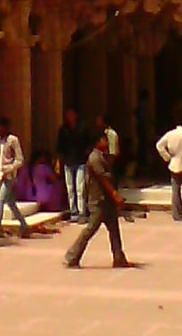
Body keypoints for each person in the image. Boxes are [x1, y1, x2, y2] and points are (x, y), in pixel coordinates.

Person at [63, 127, 130, 270]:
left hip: (107, 201)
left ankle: (119, 258)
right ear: (98, 141)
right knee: (90, 230)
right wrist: (115, 194)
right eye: (104, 140)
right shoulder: (94, 158)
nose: (107, 142)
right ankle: (72, 256)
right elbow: (103, 178)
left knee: (114, 230)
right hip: (99, 201)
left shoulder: (103, 156)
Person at [0, 117, 29, 236]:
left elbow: (20, 160)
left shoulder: (13, 140)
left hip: (10, 176)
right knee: (11, 203)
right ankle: (24, 226)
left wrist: (8, 170)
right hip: (1, 175)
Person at [55, 108, 88, 224]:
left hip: (80, 161)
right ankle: (73, 212)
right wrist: (58, 161)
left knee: (80, 188)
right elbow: (60, 147)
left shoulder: (83, 128)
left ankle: (82, 212)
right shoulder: (63, 130)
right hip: (68, 162)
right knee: (70, 189)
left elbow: (88, 144)